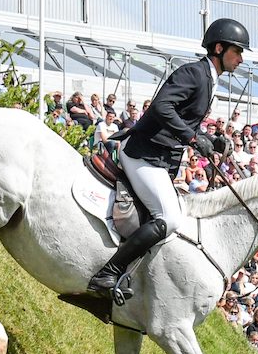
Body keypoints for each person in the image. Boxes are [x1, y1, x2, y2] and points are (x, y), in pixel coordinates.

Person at [84, 18, 244, 300]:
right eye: (237, 51)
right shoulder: (194, 73)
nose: (241, 59)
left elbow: (183, 119)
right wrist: (193, 139)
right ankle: (108, 273)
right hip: (144, 154)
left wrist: (211, 139)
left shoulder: (210, 79)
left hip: (160, 159)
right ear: (219, 48)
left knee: (172, 215)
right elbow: (162, 106)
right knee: (169, 218)